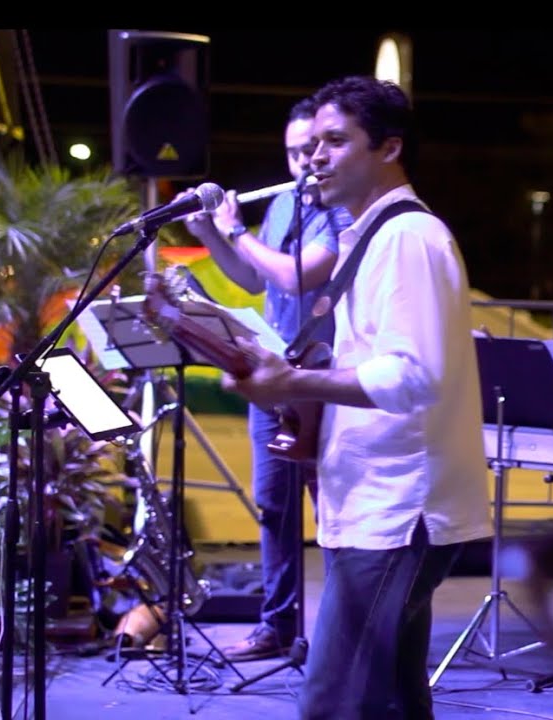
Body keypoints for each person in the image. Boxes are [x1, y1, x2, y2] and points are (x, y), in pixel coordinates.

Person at [221, 76, 492, 719]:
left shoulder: (406, 239)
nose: (315, 157)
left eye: (336, 141)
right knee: (393, 699)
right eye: (313, 142)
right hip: (380, 504)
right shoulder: (369, 237)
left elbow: (411, 377)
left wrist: (291, 383)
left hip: (398, 511)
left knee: (336, 703)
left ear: (389, 147)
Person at [181, 96, 352, 662]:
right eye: (294, 153)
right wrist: (209, 233)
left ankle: (342, 632)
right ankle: (277, 626)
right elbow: (255, 280)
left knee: (331, 508)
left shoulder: (340, 209)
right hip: (273, 372)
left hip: (324, 380)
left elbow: (299, 277)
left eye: (312, 150)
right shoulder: (283, 205)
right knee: (273, 505)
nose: (304, 163)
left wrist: (235, 230)